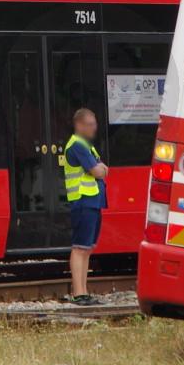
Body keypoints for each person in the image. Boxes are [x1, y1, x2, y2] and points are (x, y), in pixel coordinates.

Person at [60, 107, 109, 306]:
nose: (94, 128)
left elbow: (101, 169)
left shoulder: (87, 146)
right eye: (90, 124)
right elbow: (98, 171)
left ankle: (84, 291)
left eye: (94, 124)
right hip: (83, 200)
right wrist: (100, 169)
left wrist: (100, 169)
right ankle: (78, 293)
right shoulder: (77, 145)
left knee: (87, 248)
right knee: (80, 248)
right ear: (79, 125)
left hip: (93, 201)